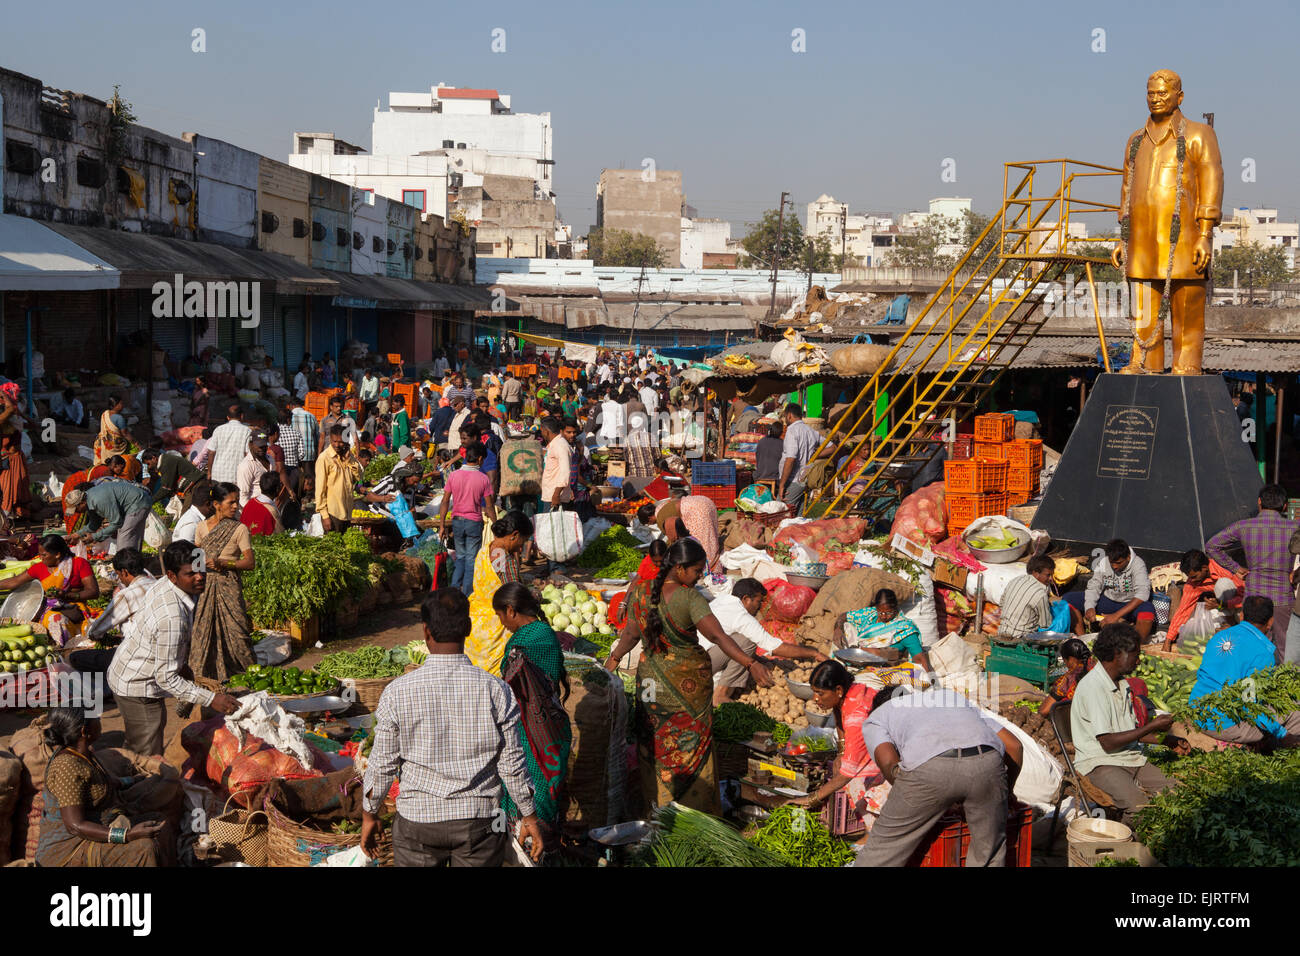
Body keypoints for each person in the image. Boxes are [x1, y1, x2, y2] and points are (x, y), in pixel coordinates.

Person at [361, 588, 544, 867]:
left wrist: (369, 814)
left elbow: (382, 764)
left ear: (426, 632)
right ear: (468, 629)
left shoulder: (397, 692)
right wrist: (529, 815)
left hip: (417, 822)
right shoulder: (496, 690)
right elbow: (512, 764)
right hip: (480, 823)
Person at [604, 538, 774, 813]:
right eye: (696, 571)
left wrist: (613, 660)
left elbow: (630, 634)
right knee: (691, 745)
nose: (698, 577)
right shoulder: (688, 597)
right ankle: (694, 811)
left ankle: (656, 807)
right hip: (688, 688)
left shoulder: (641, 591)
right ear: (680, 568)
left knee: (653, 739)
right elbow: (718, 636)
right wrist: (749, 662)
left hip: (649, 683)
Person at [854, 684, 1024, 867]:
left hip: (929, 770)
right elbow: (1015, 746)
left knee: (883, 849)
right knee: (989, 852)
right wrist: (1005, 793)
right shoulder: (950, 698)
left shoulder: (877, 718)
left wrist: (911, 794)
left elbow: (888, 763)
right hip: (988, 763)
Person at [107, 540, 242, 754]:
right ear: (172, 575)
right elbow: (166, 678)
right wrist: (212, 699)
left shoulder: (168, 586)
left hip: (132, 668)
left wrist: (183, 667)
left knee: (138, 741)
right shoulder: (171, 618)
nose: (200, 577)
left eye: (202, 570)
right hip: (137, 684)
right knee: (147, 754)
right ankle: (138, 782)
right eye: (191, 574)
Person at [1069, 623, 1186, 828]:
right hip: (1100, 763)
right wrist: (1152, 726)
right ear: (1117, 654)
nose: (1139, 660)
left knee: (1180, 792)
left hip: (1131, 757)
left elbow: (1132, 734)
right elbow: (1108, 743)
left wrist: (1168, 739)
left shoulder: (1122, 685)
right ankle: (1130, 849)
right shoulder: (1094, 687)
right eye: (1135, 655)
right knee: (1141, 810)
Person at [34, 707, 173, 867]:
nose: (100, 723)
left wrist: (134, 780)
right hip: (71, 847)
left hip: (97, 827)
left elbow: (104, 783)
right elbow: (75, 826)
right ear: (85, 731)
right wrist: (126, 835)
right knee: (144, 848)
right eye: (97, 720)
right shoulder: (67, 767)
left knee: (159, 823)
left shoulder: (85, 754)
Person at [492, 582, 572, 842]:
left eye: (500, 615)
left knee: (528, 782)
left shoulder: (525, 641)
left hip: (531, 729)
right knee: (544, 785)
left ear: (511, 611)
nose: (501, 622)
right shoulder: (543, 633)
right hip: (549, 725)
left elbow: (510, 683)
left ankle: (532, 843)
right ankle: (544, 842)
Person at [786, 661, 890, 841]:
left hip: (890, 760)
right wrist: (842, 751)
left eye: (820, 693)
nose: (815, 698)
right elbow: (838, 711)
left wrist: (812, 798)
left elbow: (846, 775)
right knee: (845, 768)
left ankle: (872, 835)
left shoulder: (855, 716)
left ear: (839, 690)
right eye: (814, 692)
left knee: (857, 781)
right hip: (878, 744)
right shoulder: (850, 692)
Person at [1189, 596, 1300, 748]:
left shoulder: (1220, 636)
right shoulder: (1263, 653)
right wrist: (1283, 735)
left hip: (1197, 711)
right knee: (1295, 709)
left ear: (1241, 616)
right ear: (1270, 622)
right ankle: (1279, 750)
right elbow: (1250, 705)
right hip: (1222, 724)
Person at [1207, 483, 1298, 656]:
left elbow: (1212, 545)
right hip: (1283, 596)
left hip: (1254, 596)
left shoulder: (1244, 526)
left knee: (1251, 647)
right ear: (1285, 506)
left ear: (1259, 503)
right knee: (1285, 650)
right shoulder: (1294, 528)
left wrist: (1235, 568)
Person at [704, 578, 826, 705]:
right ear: (746, 599)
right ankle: (720, 695)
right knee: (747, 641)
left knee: (742, 644)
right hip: (706, 662)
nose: (760, 607)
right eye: (758, 601)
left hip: (698, 656)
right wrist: (814, 653)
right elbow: (775, 647)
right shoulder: (741, 616)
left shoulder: (721, 600)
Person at [190, 482, 257, 684]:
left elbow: (249, 562)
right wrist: (201, 564)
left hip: (229, 584)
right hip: (206, 585)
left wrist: (224, 563)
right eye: (232, 502)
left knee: (238, 632)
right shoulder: (201, 527)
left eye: (237, 502)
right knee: (204, 632)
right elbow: (195, 559)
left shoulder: (240, 529)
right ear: (217, 504)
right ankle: (208, 677)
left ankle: (247, 676)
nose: (236, 506)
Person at [0, 534, 99, 644]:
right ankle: (65, 648)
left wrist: (67, 595)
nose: (40, 558)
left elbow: (93, 591)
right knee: (56, 620)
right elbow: (14, 582)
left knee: (97, 625)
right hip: (51, 610)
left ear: (57, 554)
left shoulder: (78, 563)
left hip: (76, 608)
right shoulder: (39, 568)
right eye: (39, 554)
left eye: (44, 555)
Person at [1038, 638, 1156, 726]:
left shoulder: (1068, 678)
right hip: (1114, 717)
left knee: (1062, 704)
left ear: (1070, 659)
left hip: (1085, 724)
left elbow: (1044, 711)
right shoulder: (1103, 667)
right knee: (1136, 683)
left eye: (1065, 661)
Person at [1062, 538, 1157, 640]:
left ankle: (1136, 647)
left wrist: (1115, 616)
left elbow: (1142, 594)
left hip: (1130, 606)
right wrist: (1089, 607)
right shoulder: (1104, 562)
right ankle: (1083, 639)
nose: (1114, 566)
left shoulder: (1138, 564)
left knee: (1148, 610)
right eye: (1112, 562)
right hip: (1109, 602)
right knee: (1068, 599)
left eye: (1118, 562)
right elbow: (1094, 586)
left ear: (1128, 557)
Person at [439, 443, 497, 596]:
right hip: (474, 523)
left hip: (457, 521)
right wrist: (496, 524)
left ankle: (453, 591)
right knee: (471, 560)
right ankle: (466, 594)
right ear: (479, 459)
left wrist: (442, 525)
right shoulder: (483, 479)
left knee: (461, 558)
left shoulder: (454, 475)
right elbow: (490, 506)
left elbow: (445, 501)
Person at [1164, 548, 1242, 652]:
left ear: (1205, 568)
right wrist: (1168, 641)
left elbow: (1245, 596)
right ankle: (1229, 625)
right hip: (1222, 605)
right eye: (1189, 577)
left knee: (1223, 585)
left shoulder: (1223, 570)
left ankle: (1236, 627)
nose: (1191, 580)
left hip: (1242, 603)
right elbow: (1183, 610)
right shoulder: (1193, 583)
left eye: (1194, 576)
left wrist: (1221, 604)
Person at [834, 588, 931, 670]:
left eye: (888, 612)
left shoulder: (904, 628)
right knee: (846, 626)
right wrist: (838, 629)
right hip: (855, 657)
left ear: (895, 608)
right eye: (880, 612)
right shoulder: (869, 614)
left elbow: (919, 658)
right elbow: (843, 616)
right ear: (876, 608)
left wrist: (925, 679)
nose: (884, 616)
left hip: (883, 667)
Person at [82, 547, 154, 650]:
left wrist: (93, 635)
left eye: (118, 574)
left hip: (139, 648)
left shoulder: (126, 595)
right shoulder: (157, 583)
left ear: (124, 572)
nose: (119, 578)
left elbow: (96, 630)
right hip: (156, 641)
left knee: (77, 658)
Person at [65, 479, 152, 553]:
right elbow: (94, 524)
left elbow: (117, 522)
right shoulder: (89, 500)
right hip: (134, 503)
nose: (77, 512)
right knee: (131, 538)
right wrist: (75, 535)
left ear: (82, 503)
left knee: (124, 540)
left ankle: (127, 566)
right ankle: (134, 563)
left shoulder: (98, 501)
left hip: (138, 502)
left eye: (76, 509)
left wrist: (94, 537)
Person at [997, 554, 1064, 639]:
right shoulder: (1040, 594)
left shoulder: (1016, 580)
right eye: (1048, 575)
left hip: (1001, 631)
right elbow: (1046, 625)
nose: (1051, 579)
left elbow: (1002, 604)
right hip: (1021, 638)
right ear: (1035, 573)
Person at [315, 424, 363, 535]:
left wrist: (349, 460)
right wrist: (325, 516)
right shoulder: (324, 458)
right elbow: (320, 490)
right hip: (333, 513)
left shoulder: (348, 457)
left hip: (346, 512)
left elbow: (358, 477)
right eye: (334, 441)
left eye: (340, 442)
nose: (336, 445)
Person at [777, 403, 819, 511]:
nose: (785, 419)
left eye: (785, 416)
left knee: (780, 512)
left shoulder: (792, 430)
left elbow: (790, 459)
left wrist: (782, 485)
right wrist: (813, 454)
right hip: (804, 477)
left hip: (793, 480)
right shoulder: (811, 431)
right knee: (797, 516)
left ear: (789, 415)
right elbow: (831, 446)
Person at [0, 382, 31, 518]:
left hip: (16, 457)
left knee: (19, 488)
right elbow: (11, 408)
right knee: (7, 492)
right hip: (6, 459)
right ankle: (4, 520)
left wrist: (21, 414)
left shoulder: (12, 418)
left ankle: (9, 516)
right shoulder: (3, 418)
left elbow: (31, 424)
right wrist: (3, 393)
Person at [204, 405, 252, 485]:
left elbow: (211, 452)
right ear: (242, 416)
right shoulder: (247, 431)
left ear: (228, 417)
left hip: (217, 475)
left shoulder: (218, 429)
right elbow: (248, 455)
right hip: (236, 477)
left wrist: (209, 472)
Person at [678, 494, 724, 573]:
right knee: (709, 540)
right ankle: (710, 568)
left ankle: (706, 568)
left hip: (701, 510)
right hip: (707, 505)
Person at [539, 416, 573, 514]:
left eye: (542, 430)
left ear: (546, 431)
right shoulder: (555, 444)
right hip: (551, 494)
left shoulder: (560, 445)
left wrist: (556, 494)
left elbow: (565, 472)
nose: (542, 433)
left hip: (556, 497)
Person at [93, 393, 133, 465]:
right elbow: (125, 434)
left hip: (105, 446)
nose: (122, 405)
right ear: (115, 405)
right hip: (115, 448)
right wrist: (136, 444)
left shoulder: (105, 414)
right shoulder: (119, 418)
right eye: (121, 403)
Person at [241, 471, 283, 536]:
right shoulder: (271, 510)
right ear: (277, 489)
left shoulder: (250, 502)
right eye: (280, 484)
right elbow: (280, 534)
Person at [235, 435, 271, 507]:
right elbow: (243, 495)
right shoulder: (246, 465)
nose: (262, 448)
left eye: (264, 446)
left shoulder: (271, 460)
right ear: (250, 445)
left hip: (269, 506)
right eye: (259, 446)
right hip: (254, 508)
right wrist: (251, 512)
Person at [288, 394, 318, 467]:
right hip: (308, 452)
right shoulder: (311, 416)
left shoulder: (288, 417)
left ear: (291, 406)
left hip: (292, 453)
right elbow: (317, 435)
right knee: (308, 475)